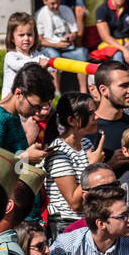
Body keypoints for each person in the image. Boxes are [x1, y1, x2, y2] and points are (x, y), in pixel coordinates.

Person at [44, 92, 103, 236]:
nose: (97, 117)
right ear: (71, 120)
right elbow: (75, 203)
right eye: (90, 113)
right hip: (66, 226)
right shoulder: (58, 152)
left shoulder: (86, 143)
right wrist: (92, 167)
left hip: (87, 223)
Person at [0, 63, 55, 160]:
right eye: (35, 106)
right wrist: (25, 157)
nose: (37, 112)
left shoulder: (12, 115)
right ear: (19, 93)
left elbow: (16, 166)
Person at [35, 0, 87, 89]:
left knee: (82, 54)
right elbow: (39, 41)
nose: (56, 6)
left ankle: (83, 90)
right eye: (52, 3)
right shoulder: (40, 14)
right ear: (45, 1)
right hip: (50, 47)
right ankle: (57, 91)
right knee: (54, 56)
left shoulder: (66, 10)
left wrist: (71, 36)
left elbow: (75, 32)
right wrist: (56, 44)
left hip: (67, 47)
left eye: (58, 2)